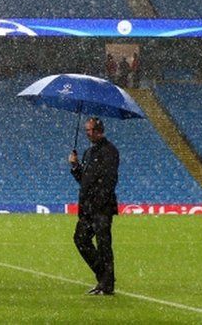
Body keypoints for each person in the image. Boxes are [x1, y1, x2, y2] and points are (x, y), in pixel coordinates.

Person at [69, 117, 120, 296]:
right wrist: (75, 166)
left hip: (102, 207)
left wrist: (98, 202)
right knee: (80, 239)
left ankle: (106, 283)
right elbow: (84, 180)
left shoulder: (110, 151)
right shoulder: (88, 153)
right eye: (86, 130)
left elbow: (109, 181)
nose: (87, 133)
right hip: (88, 207)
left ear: (99, 130)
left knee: (103, 244)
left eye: (89, 130)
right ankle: (105, 276)